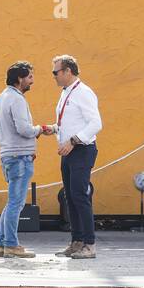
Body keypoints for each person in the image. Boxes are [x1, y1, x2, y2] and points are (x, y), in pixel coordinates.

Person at [0, 61, 55, 259]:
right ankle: (11, 245)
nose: (32, 81)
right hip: (19, 158)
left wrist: (10, 145)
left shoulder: (1, 98)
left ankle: (1, 244)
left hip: (8, 156)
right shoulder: (17, 100)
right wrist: (40, 130)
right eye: (29, 77)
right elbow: (24, 129)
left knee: (12, 202)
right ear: (20, 78)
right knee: (16, 204)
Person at [52, 54, 102, 259]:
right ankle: (77, 241)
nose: (54, 76)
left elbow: (96, 124)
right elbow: (70, 122)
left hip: (81, 150)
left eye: (56, 72)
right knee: (70, 197)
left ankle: (89, 244)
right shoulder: (66, 93)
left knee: (80, 197)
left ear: (67, 72)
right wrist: (54, 129)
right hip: (69, 151)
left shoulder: (83, 92)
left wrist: (73, 141)